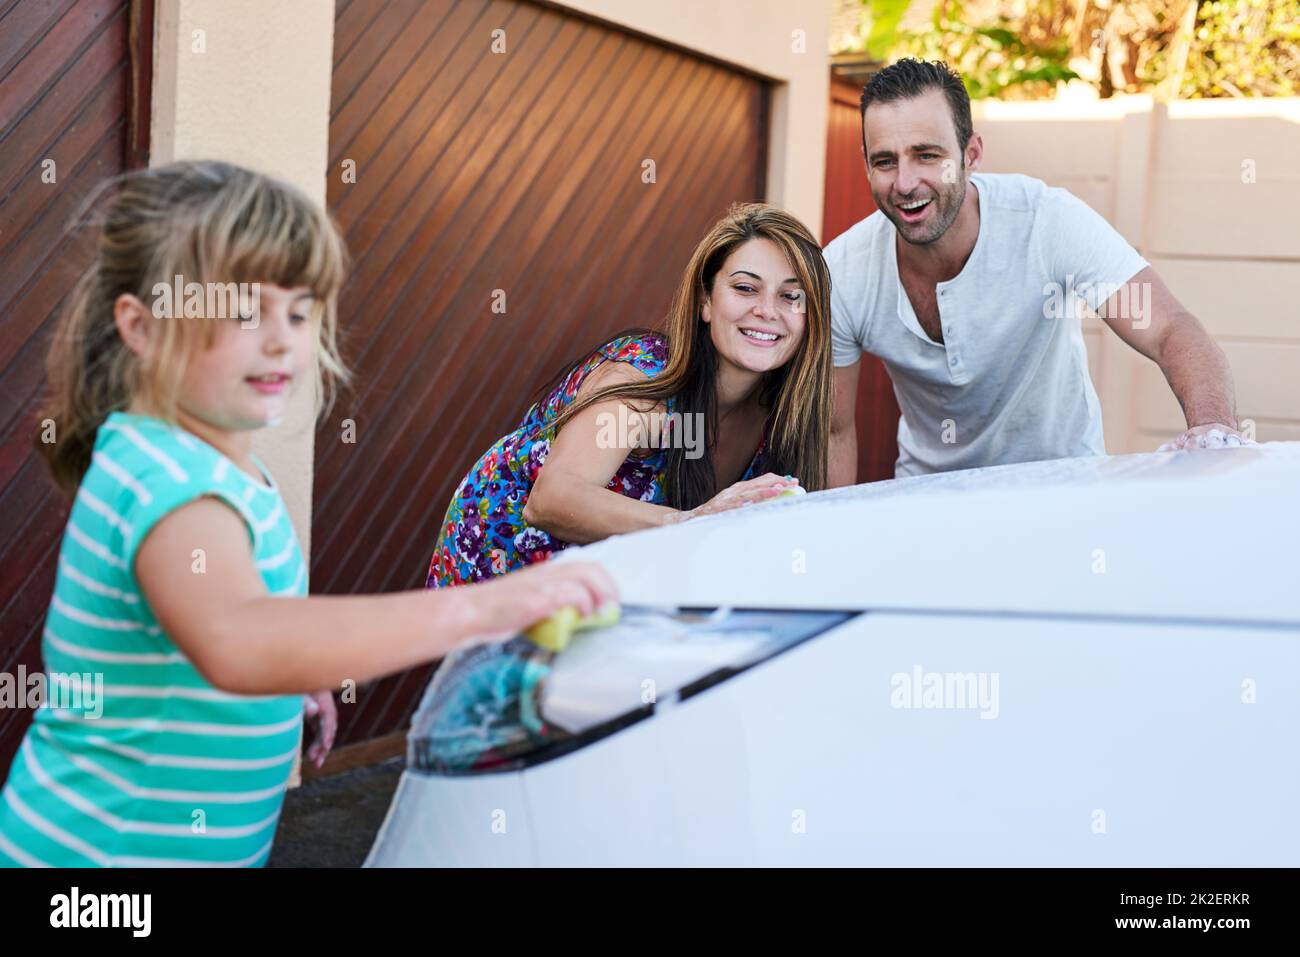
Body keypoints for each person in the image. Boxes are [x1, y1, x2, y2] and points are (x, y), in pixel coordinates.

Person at [0, 161, 614, 868]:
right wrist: (491, 604)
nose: (282, 338)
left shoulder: (211, 462)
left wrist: (290, 674)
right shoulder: (169, 480)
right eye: (243, 310)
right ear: (140, 326)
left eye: (298, 310)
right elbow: (236, 636)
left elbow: (231, 619)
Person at [827, 58, 1244, 484]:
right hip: (930, 494)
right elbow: (834, 430)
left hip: (1062, 486)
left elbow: (1169, 328)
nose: (904, 182)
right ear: (866, 164)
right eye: (885, 161)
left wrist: (1213, 432)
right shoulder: (843, 271)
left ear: (971, 155)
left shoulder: (1047, 221)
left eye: (927, 155)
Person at [427, 202, 833, 587]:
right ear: (706, 301)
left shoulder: (780, 412)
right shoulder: (646, 382)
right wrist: (689, 523)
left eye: (790, 296)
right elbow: (552, 498)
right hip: (504, 565)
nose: (766, 310)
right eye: (745, 288)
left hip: (609, 584)